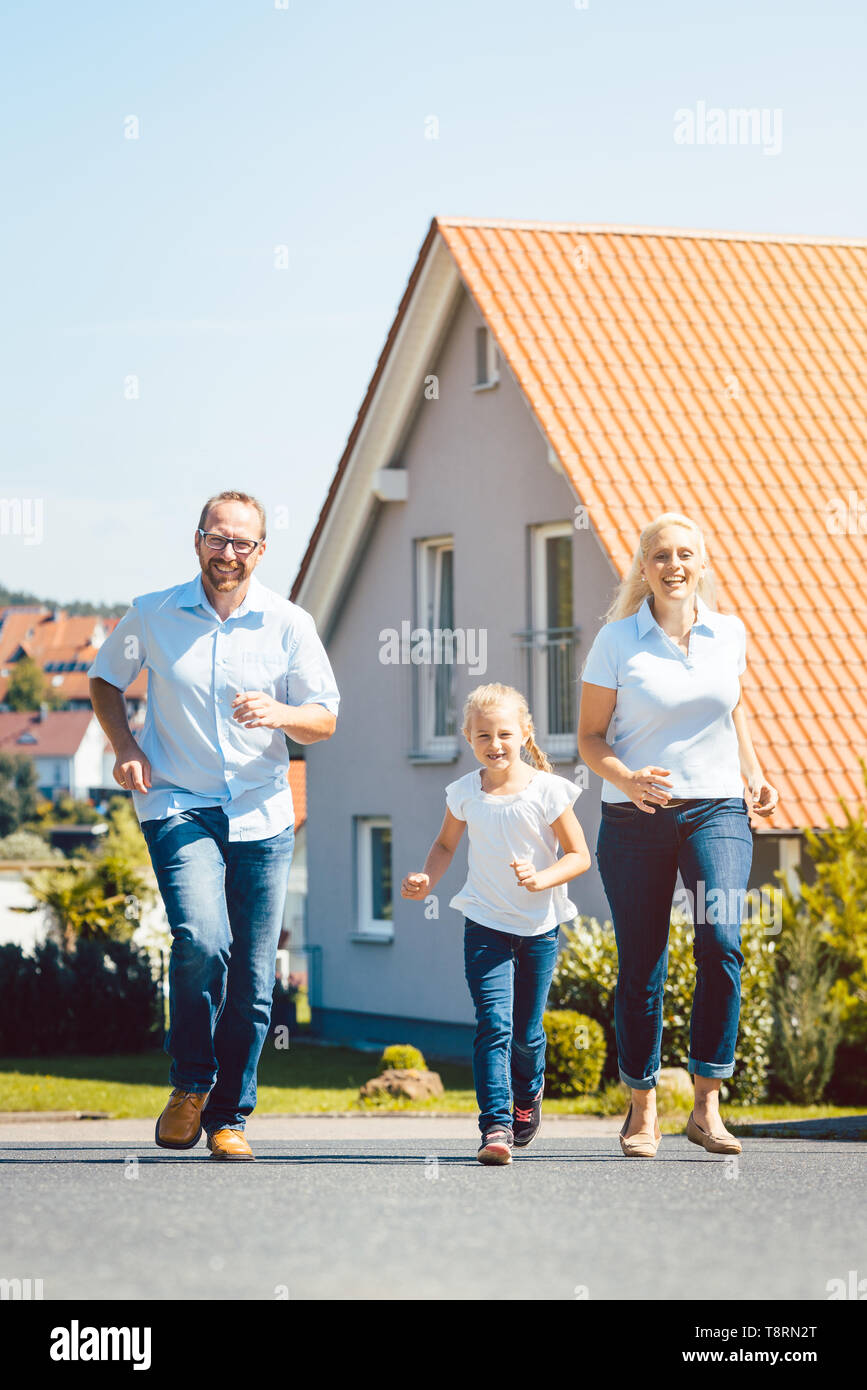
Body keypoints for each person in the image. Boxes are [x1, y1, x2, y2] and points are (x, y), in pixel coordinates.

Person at [88, 490, 339, 1161]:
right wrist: (126, 748)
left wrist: (280, 715)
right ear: (197, 539)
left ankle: (230, 1118)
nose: (228, 554)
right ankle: (190, 1085)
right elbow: (104, 679)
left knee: (255, 980)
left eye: (242, 543)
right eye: (216, 538)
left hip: (262, 810)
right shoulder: (154, 614)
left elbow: (325, 716)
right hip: (178, 803)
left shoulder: (287, 623)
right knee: (202, 938)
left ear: (261, 550)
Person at [577, 512, 778, 1158]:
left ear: (701, 563)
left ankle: (705, 1102)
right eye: (659, 555)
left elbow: (733, 706)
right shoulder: (615, 642)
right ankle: (641, 1106)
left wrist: (754, 774)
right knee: (641, 962)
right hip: (633, 820)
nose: (673, 565)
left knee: (720, 941)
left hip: (716, 811)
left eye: (684, 554)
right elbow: (587, 738)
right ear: (643, 568)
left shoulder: (728, 633)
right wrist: (627, 779)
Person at [401, 683, 590, 1165]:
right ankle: (496, 1126)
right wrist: (428, 879)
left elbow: (579, 856)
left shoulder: (548, 790)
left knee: (526, 1033)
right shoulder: (464, 791)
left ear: (526, 733)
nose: (495, 743)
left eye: (505, 733)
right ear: (468, 738)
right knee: (494, 1025)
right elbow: (444, 846)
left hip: (539, 928)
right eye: (483, 735)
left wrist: (541, 877)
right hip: (484, 924)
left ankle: (528, 1096)